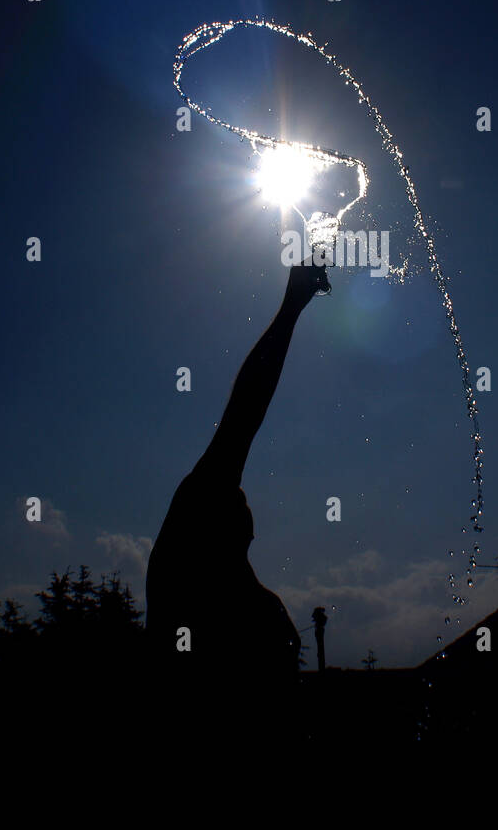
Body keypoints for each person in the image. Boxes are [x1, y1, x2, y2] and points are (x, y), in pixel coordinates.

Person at [145, 261, 328, 683]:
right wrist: (290, 310)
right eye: (235, 497)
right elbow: (245, 413)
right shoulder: (191, 566)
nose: (243, 496)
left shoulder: (203, 575)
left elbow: (241, 422)